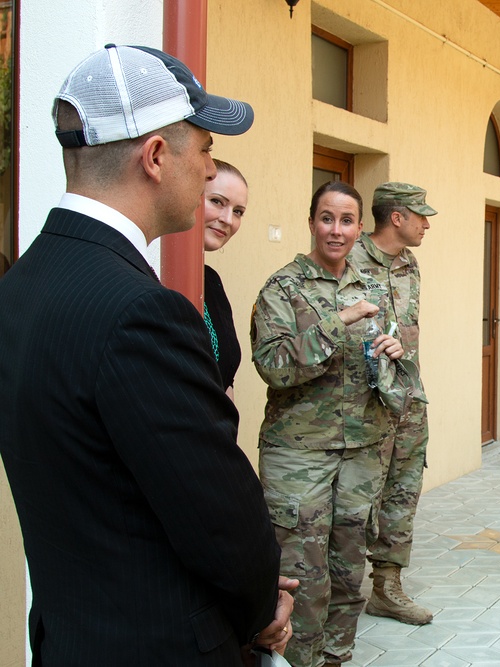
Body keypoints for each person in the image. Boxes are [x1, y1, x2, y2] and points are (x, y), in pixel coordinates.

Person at [0, 44, 294, 666]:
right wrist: (262, 609)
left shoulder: (22, 285)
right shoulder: (141, 310)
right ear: (157, 156)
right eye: (207, 150)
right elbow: (218, 517)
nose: (211, 173)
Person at [251, 180, 403, 666]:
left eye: (346, 220)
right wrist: (341, 321)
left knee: (348, 565)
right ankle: (295, 661)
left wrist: (396, 358)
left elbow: (395, 371)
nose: (336, 230)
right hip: (299, 455)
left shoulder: (375, 288)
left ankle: (335, 658)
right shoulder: (282, 288)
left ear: (360, 228)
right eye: (326, 218)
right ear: (311, 221)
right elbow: (273, 366)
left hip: (364, 448)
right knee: (300, 573)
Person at [350, 182, 437, 626]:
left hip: (408, 397)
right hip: (364, 403)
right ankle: (337, 591)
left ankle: (386, 587)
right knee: (359, 494)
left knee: (402, 492)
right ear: (397, 217)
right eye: (420, 215)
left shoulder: (410, 263)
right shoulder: (348, 258)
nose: (426, 223)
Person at [203, 158, 249, 399]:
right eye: (217, 202)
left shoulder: (211, 281)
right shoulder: (158, 273)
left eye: (238, 212)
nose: (228, 219)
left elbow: (225, 377)